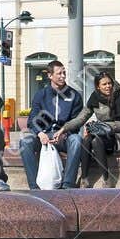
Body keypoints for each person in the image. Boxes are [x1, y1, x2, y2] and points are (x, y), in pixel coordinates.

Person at [17, 60, 85, 190]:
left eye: (64, 73)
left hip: (63, 137)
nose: (63, 76)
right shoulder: (41, 95)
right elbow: (32, 120)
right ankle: (34, 186)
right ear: (50, 76)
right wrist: (40, 133)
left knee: (76, 140)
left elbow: (76, 123)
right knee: (25, 141)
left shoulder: (74, 96)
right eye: (59, 73)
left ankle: (68, 185)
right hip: (43, 136)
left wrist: (64, 133)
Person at [66, 71, 120, 188]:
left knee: (95, 140)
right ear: (98, 86)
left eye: (109, 83)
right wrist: (64, 128)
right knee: (87, 139)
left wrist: (108, 126)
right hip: (101, 134)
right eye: (104, 84)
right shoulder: (94, 98)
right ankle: (84, 178)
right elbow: (81, 118)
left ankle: (107, 179)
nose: (108, 86)